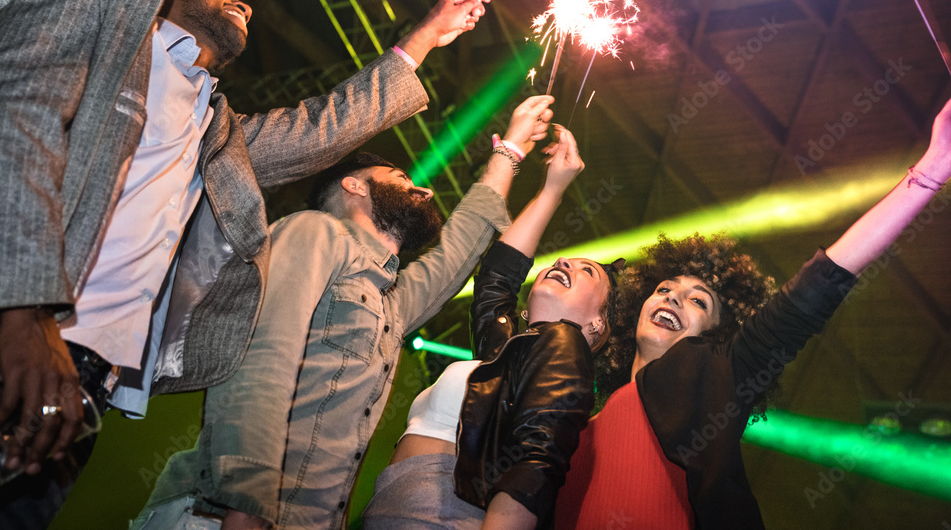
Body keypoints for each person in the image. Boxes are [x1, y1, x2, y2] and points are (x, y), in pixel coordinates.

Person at [0, 0, 488, 528]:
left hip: (85, 385)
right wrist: (22, 312)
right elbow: (2, 127)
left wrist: (428, 35)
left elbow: (326, 126)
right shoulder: (89, 0)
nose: (249, 2)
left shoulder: (219, 132)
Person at [129, 95, 557, 530]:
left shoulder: (389, 297)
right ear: (354, 185)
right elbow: (265, 359)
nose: (424, 189)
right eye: (400, 176)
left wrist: (511, 150)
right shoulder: (314, 231)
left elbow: (457, 250)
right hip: (222, 515)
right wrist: (247, 501)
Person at [555, 98, 951, 530]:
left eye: (697, 300)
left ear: (715, 337)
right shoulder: (569, 431)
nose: (671, 298)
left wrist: (933, 168)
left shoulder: (719, 373)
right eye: (664, 289)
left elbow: (819, 285)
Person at [362, 128, 622, 530]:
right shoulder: (511, 360)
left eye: (586, 270)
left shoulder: (564, 342)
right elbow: (496, 280)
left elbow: (537, 463)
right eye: (563, 261)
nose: (565, 263)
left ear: (598, 323)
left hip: (444, 515)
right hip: (402, 505)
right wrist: (552, 188)